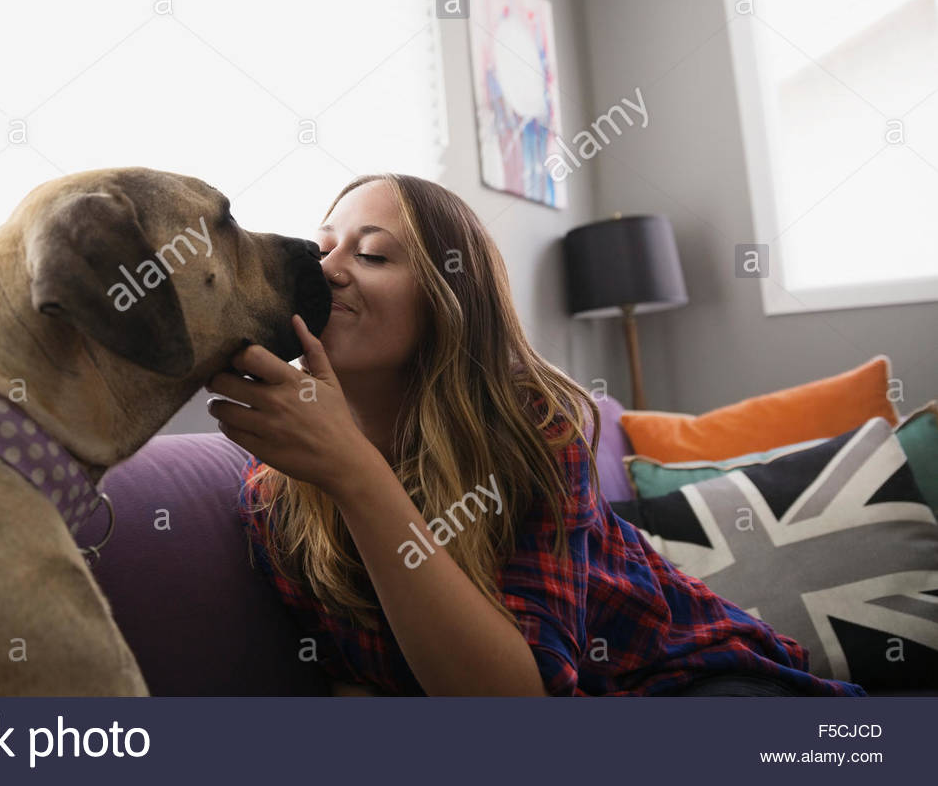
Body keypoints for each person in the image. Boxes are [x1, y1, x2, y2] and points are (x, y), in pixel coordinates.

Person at [204, 173, 867, 697]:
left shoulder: (530, 434)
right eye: (321, 249)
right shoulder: (276, 492)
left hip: (694, 684)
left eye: (373, 253)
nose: (329, 267)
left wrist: (356, 475)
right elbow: (355, 676)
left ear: (449, 302)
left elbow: (515, 706)